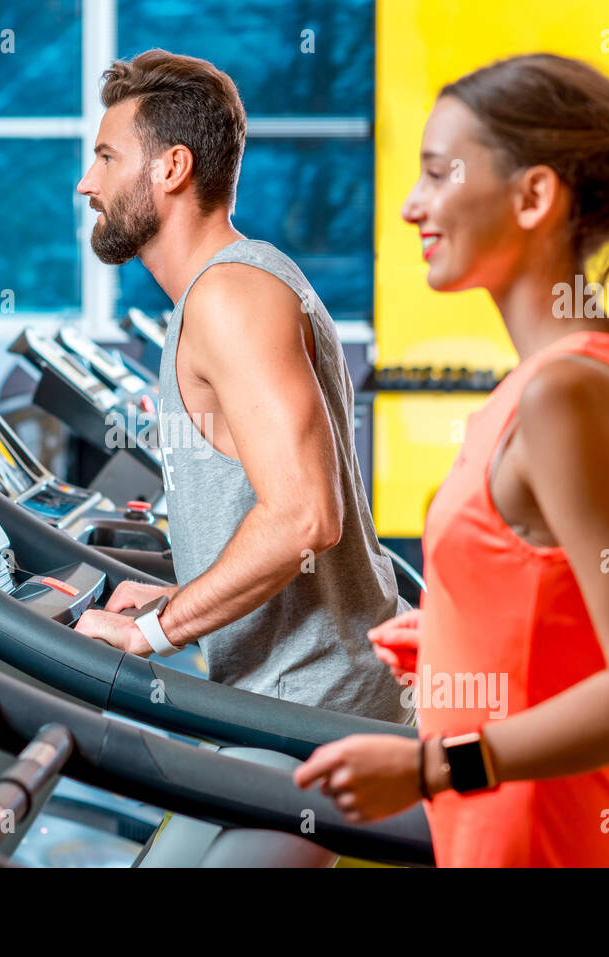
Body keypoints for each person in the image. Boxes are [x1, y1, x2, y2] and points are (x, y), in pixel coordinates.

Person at [294, 53, 609, 866]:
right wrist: (463, 636)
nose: (410, 206)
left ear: (534, 195)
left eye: (437, 175)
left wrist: (434, 764)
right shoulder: (589, 376)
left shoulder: (566, 397)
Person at [71, 49, 409, 721]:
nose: (88, 184)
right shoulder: (231, 285)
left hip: (314, 714)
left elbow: (303, 516)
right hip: (315, 694)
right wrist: (173, 592)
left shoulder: (229, 293)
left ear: (171, 167)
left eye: (107, 158)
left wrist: (154, 628)